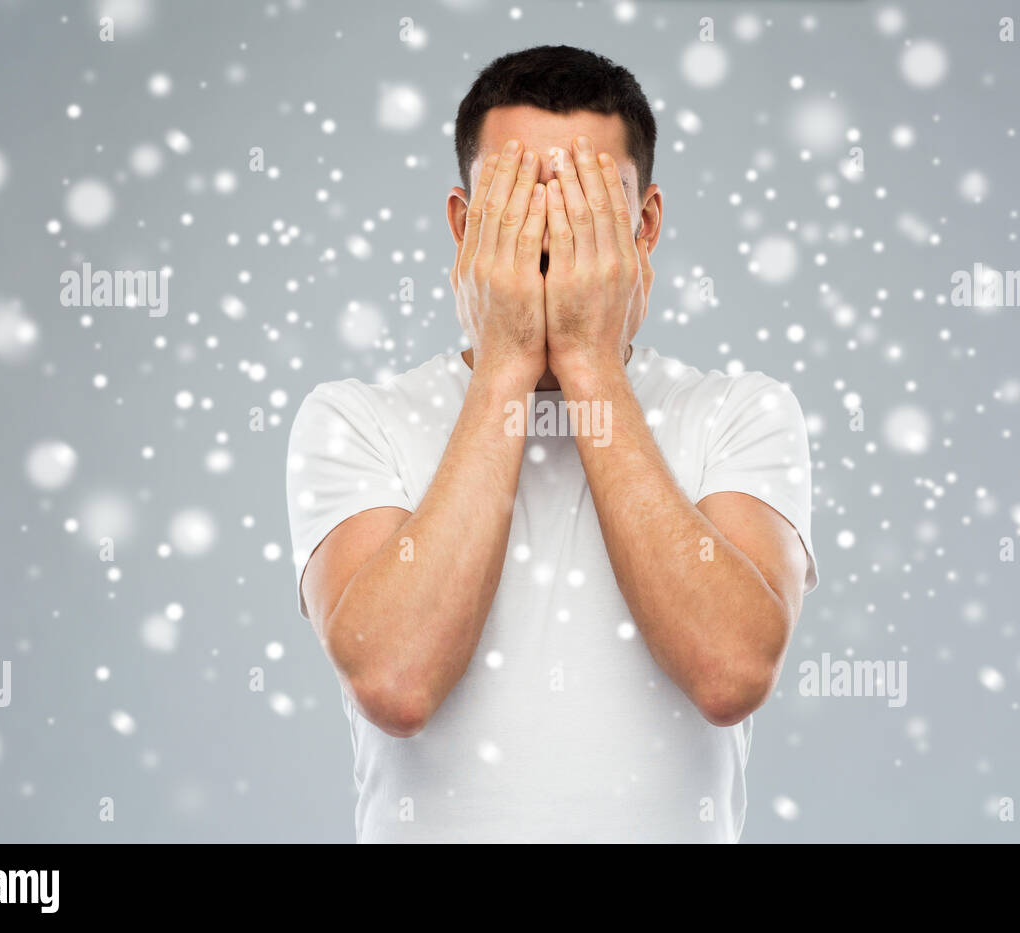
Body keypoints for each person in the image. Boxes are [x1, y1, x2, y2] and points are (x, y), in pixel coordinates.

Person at [286, 45, 817, 843]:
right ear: (466, 227)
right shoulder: (354, 420)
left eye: (584, 211)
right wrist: (504, 363)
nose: (550, 241)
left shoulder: (740, 413)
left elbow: (731, 672)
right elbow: (395, 679)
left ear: (644, 229)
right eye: (522, 209)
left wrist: (590, 362)